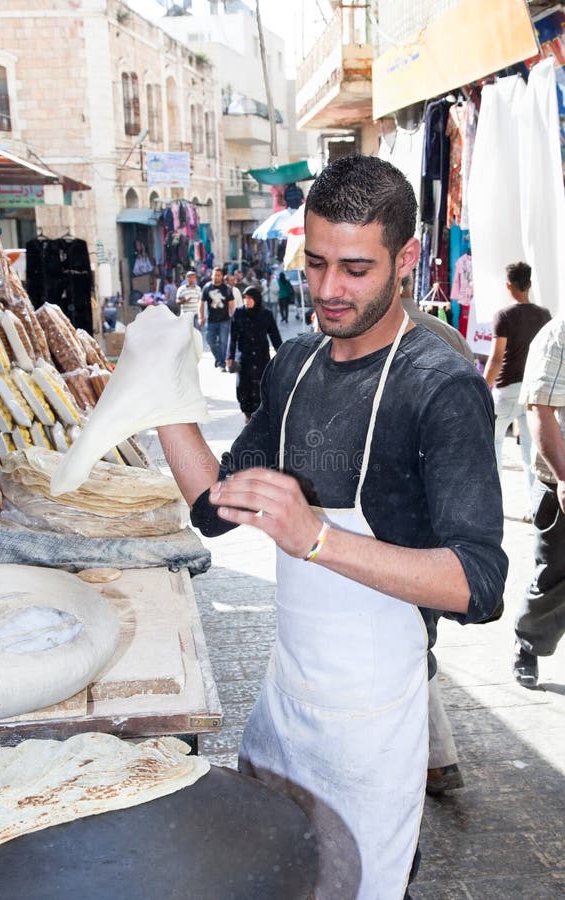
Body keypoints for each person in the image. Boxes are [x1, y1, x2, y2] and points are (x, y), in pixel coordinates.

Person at [157, 155, 507, 899]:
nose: (325, 290)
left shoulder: (439, 388)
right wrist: (157, 401)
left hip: (373, 728)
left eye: (354, 269)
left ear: (405, 258)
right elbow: (215, 508)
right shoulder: (294, 365)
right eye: (314, 263)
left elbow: (479, 582)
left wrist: (317, 538)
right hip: (287, 706)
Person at [401, 272, 472, 796]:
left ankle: (430, 755)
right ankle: (436, 754)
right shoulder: (449, 337)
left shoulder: (370, 339)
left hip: (401, 514)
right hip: (434, 510)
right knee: (414, 627)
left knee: (407, 632)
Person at [513, 318, 565, 688]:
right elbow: (539, 408)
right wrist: (563, 476)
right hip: (558, 482)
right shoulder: (557, 335)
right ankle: (527, 643)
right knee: (554, 578)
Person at [483, 262, 551, 517]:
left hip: (506, 389)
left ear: (509, 285)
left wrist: (483, 384)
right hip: (533, 390)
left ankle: (493, 506)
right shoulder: (544, 315)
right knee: (530, 451)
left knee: (493, 444)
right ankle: (534, 508)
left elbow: (497, 358)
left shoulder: (504, 316)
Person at [226, 285, 282, 423]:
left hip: (261, 355)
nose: (247, 301)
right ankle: (247, 412)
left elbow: (274, 335)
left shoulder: (266, 314)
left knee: (260, 385)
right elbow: (232, 336)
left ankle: (258, 413)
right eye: (245, 298)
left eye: (250, 298)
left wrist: (282, 353)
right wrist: (230, 356)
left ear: (257, 299)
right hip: (243, 356)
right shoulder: (238, 313)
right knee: (242, 386)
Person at [198, 266, 234, 372]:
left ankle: (222, 364)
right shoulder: (207, 288)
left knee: (224, 342)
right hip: (211, 320)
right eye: (215, 275)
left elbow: (231, 304)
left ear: (222, 276)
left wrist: (234, 317)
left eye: (219, 275)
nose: (217, 277)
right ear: (211, 275)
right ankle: (219, 358)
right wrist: (201, 317)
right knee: (210, 340)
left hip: (225, 320)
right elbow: (201, 303)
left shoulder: (226, 289)